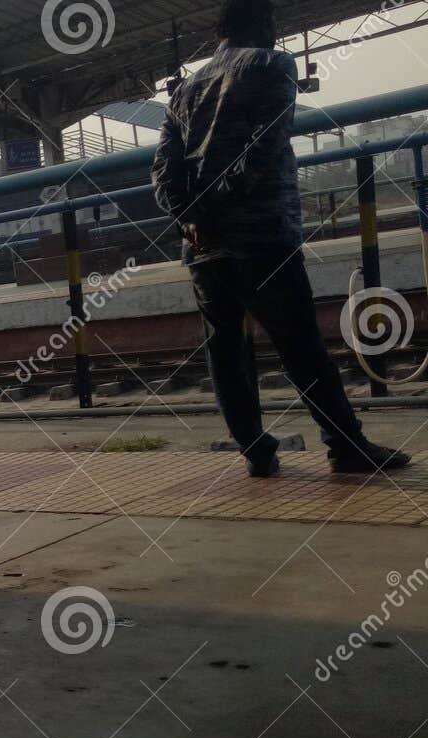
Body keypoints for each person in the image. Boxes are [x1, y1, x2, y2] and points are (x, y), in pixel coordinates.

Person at [151, 0, 411, 478]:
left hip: (202, 247)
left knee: (226, 350)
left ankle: (256, 453)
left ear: (220, 32)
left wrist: (193, 216)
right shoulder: (273, 65)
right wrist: (216, 207)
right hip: (261, 236)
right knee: (300, 346)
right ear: (265, 25)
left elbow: (164, 173)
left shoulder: (184, 91)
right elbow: (263, 148)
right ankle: (344, 446)